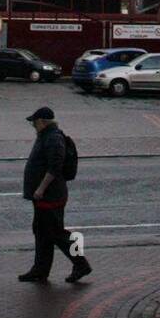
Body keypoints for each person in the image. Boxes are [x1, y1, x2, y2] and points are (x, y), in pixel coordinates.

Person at [18, 106, 92, 284]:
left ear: (42, 122)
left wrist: (41, 188)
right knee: (42, 232)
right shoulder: (46, 136)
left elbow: (54, 167)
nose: (33, 126)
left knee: (57, 234)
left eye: (34, 123)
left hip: (51, 197)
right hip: (43, 197)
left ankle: (81, 264)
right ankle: (40, 270)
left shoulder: (54, 138)